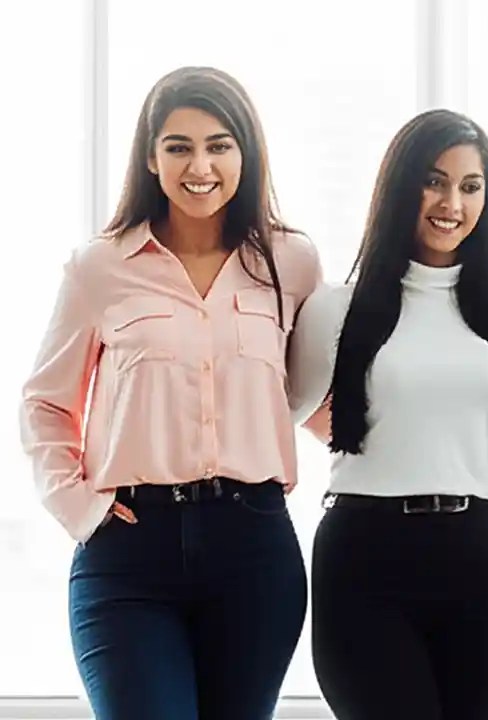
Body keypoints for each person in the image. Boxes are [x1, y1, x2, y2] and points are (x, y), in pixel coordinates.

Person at [19, 66, 321, 720]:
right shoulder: (99, 267)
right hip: (129, 555)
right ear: (152, 159)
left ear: (246, 153)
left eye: (219, 144)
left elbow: (317, 396)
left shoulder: (291, 263)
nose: (200, 164)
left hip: (254, 551)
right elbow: (45, 404)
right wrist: (80, 505)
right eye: (179, 146)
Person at [287, 108, 488, 720]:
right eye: (434, 181)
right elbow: (279, 411)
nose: (451, 203)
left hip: (478, 555)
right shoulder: (339, 306)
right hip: (366, 559)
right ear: (399, 185)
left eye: (470, 186)